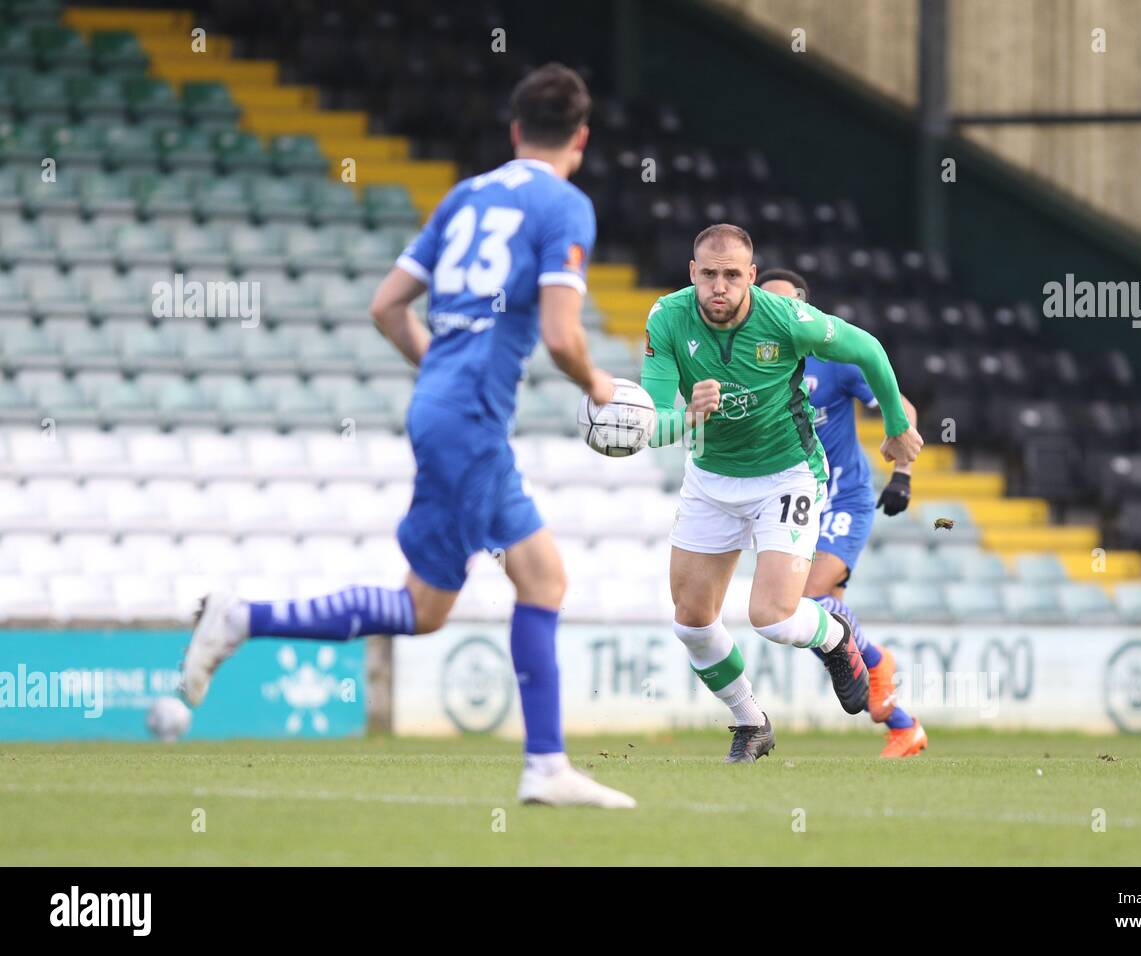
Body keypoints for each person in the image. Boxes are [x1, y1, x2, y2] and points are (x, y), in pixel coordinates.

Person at [180, 63, 635, 809]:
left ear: (515, 129)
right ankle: (545, 765)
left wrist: (442, 374)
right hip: (471, 417)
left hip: (441, 408)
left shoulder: (465, 196)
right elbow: (561, 335)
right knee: (514, 587)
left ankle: (242, 619)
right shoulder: (565, 206)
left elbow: (386, 306)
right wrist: (598, 384)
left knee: (463, 598)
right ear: (580, 139)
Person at [640, 224, 923, 762]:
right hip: (710, 479)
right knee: (691, 622)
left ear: (750, 276)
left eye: (731, 275)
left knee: (771, 616)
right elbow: (654, 423)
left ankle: (836, 637)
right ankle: (752, 722)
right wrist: (688, 416)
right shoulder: (667, 318)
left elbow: (868, 348)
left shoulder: (788, 318)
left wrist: (895, 425)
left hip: (787, 474)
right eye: (708, 274)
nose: (719, 286)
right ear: (692, 273)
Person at [757, 268, 927, 758]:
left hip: (841, 499)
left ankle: (878, 664)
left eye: (786, 304)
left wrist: (902, 475)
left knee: (801, 599)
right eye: (765, 304)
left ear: (805, 308)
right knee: (816, 628)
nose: (776, 314)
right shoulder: (754, 361)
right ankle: (902, 725)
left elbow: (902, 409)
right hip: (791, 503)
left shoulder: (835, 358)